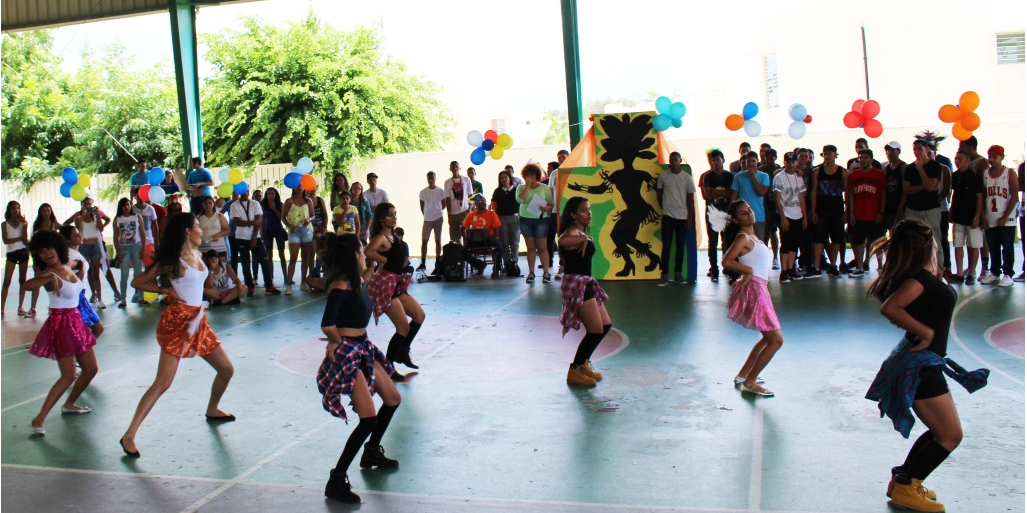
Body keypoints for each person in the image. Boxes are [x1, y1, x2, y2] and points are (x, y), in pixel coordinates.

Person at [864, 219, 987, 513]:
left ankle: (904, 479)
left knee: (938, 430)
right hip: (919, 365)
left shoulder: (923, 276)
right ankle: (907, 488)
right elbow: (890, 308)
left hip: (923, 361)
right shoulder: (917, 280)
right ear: (925, 245)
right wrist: (927, 332)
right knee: (949, 434)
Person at [119, 212, 237, 458]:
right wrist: (165, 291)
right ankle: (129, 434)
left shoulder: (198, 254)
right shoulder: (173, 261)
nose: (201, 231)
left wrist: (212, 292)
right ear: (186, 230)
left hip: (199, 321)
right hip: (178, 322)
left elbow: (197, 287)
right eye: (197, 227)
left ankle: (213, 408)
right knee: (163, 382)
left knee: (226, 369)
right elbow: (138, 282)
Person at [316, 233, 403, 503]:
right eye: (362, 252)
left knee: (392, 399)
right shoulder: (341, 286)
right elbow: (327, 323)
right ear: (354, 256)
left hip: (362, 346)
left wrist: (374, 268)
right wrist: (335, 342)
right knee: (368, 419)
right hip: (348, 353)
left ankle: (372, 451)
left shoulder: (356, 282)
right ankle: (336, 479)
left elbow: (364, 281)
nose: (366, 254)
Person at [23, 230, 99, 435]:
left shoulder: (66, 267)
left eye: (49, 248)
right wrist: (47, 277)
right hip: (61, 323)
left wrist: (80, 268)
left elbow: (79, 265)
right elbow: (29, 285)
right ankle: (38, 419)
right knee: (68, 375)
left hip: (76, 321)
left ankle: (70, 404)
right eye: (41, 251)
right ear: (38, 256)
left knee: (91, 369)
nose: (47, 253)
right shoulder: (48, 274)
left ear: (57, 247)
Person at [720, 200, 783, 397]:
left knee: (767, 337)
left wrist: (749, 271)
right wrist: (747, 270)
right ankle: (750, 381)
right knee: (776, 340)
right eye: (743, 213)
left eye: (749, 210)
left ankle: (744, 375)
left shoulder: (752, 237)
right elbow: (727, 261)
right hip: (755, 290)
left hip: (759, 288)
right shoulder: (743, 238)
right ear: (736, 219)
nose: (749, 214)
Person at [365, 203, 425, 375]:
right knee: (403, 328)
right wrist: (382, 260)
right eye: (390, 215)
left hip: (396, 283)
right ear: (382, 219)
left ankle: (402, 352)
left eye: (395, 214)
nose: (394, 217)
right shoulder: (381, 237)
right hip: (386, 285)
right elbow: (368, 252)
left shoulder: (393, 236)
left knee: (419, 316)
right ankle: (388, 367)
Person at [558, 197, 613, 387]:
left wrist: (584, 237)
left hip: (586, 282)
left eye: (589, 209)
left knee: (605, 325)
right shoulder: (572, 232)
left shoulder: (581, 231)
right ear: (573, 214)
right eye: (583, 210)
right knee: (595, 330)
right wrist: (582, 238)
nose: (588, 213)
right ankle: (574, 371)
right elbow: (562, 240)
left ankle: (583, 364)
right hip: (576, 284)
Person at [980, 145, 1019, 287]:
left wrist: (1005, 216)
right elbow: (983, 196)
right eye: (989, 156)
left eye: (995, 157)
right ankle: (995, 272)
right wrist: (983, 215)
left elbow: (1014, 196)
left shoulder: (1009, 173)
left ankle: (1008, 274)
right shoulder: (985, 174)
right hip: (991, 216)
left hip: (1006, 218)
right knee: (993, 246)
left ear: (1002, 157)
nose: (991, 159)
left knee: (1007, 246)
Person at [231, 186, 281, 296]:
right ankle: (249, 286)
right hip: (241, 237)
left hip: (255, 237)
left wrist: (254, 237)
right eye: (243, 191)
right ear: (239, 192)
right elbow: (238, 222)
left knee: (264, 261)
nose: (245, 193)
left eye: (247, 191)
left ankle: (269, 285)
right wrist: (253, 222)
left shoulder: (255, 204)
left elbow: (259, 221)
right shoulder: (234, 205)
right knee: (245, 263)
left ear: (249, 192)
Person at [656, 151, 696, 285]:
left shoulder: (687, 178)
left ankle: (678, 274)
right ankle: (664, 274)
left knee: (680, 246)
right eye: (671, 160)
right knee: (666, 246)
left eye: (676, 160)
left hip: (683, 217)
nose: (674, 162)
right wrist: (664, 208)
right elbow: (659, 194)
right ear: (669, 161)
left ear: (680, 161)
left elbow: (691, 200)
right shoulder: (663, 176)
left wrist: (689, 218)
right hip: (668, 216)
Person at [58, 224, 104, 338]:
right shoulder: (69, 255)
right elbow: (66, 272)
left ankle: (83, 352)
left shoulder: (76, 253)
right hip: (76, 297)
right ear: (68, 240)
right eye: (76, 235)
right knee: (86, 331)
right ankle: (82, 353)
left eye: (79, 233)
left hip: (81, 296)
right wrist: (80, 274)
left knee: (98, 328)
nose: (79, 236)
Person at [846, 149, 887, 278]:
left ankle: (880, 266)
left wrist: (881, 212)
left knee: (877, 241)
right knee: (859, 241)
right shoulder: (854, 174)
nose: (862, 160)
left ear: (871, 159)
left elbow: (883, 193)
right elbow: (851, 194)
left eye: (865, 157)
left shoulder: (879, 174)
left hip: (874, 214)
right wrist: (851, 213)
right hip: (859, 214)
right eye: (860, 158)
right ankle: (859, 267)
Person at [949, 149, 985, 284]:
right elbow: (954, 195)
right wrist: (952, 212)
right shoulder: (955, 175)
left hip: (971, 218)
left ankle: (970, 273)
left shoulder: (974, 177)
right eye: (956, 159)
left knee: (974, 245)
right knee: (958, 244)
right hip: (958, 216)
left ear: (968, 161)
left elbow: (980, 198)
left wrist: (977, 217)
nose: (957, 161)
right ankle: (959, 273)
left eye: (960, 159)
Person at [810, 145, 847, 277]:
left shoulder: (842, 172)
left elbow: (847, 192)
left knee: (836, 238)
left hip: (837, 209)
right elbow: (813, 191)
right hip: (821, 209)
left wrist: (847, 211)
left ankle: (833, 265)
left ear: (835, 155)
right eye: (824, 154)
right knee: (819, 238)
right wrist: (813, 210)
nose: (827, 156)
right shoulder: (817, 171)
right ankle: (816, 267)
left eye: (829, 154)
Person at [516, 163, 555, 284]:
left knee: (542, 247)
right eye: (527, 175)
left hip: (540, 220)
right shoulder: (520, 187)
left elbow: (550, 203)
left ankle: (546, 273)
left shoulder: (544, 187)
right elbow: (519, 199)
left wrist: (546, 208)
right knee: (530, 248)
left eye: (532, 175)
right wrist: (527, 186)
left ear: (536, 175)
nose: (530, 177)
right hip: (525, 220)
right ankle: (531, 273)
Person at [773, 152, 808, 283]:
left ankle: (790, 269)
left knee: (794, 244)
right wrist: (782, 217)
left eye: (794, 162)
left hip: (797, 214)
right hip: (786, 214)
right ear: (785, 162)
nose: (791, 164)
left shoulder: (799, 177)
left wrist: (804, 216)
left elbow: (801, 198)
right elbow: (777, 198)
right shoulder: (779, 177)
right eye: (789, 162)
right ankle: (783, 271)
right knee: (786, 244)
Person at [701, 150, 734, 282]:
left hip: (726, 212)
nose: (716, 163)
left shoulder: (730, 176)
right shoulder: (707, 177)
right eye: (713, 160)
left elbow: (731, 194)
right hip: (712, 212)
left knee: (727, 241)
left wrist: (715, 191)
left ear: (723, 160)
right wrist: (722, 192)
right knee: (712, 242)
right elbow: (707, 195)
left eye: (718, 160)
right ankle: (714, 269)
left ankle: (728, 267)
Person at [75, 196, 114, 309]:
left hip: (95, 245)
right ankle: (81, 299)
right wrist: (83, 214)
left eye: (89, 204)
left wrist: (97, 215)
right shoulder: (79, 218)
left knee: (96, 273)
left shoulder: (96, 216)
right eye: (85, 204)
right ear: (82, 206)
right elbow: (78, 228)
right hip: (84, 246)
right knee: (82, 272)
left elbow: (101, 229)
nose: (88, 206)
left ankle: (100, 299)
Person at [28, 203, 62, 317]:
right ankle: (32, 307)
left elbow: (64, 231)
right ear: (40, 213)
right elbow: (32, 242)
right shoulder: (36, 225)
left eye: (48, 211)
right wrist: (34, 257)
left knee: (52, 281)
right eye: (44, 211)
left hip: (51, 258)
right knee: (38, 279)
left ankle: (53, 304)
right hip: (39, 257)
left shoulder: (53, 224)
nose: (46, 213)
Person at [461, 194, 505, 277]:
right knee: (462, 251)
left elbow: (497, 230)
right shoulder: (471, 215)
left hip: (488, 240)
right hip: (474, 241)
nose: (484, 203)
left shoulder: (492, 214)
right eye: (481, 201)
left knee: (499, 245)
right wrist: (465, 239)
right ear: (476, 204)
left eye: (484, 201)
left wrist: (491, 238)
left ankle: (496, 268)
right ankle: (479, 265)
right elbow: (462, 227)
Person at [730, 151, 770, 241]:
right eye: (748, 161)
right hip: (742, 217)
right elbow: (734, 196)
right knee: (743, 243)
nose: (751, 164)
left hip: (758, 216)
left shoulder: (764, 176)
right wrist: (730, 213)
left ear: (757, 161)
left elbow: (761, 192)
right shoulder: (738, 177)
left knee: (759, 244)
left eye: (753, 161)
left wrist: (752, 176)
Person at [113, 198, 146, 307]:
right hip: (124, 248)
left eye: (128, 205)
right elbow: (115, 236)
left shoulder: (137, 217)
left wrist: (143, 249)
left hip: (136, 247)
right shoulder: (117, 219)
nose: (126, 207)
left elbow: (142, 234)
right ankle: (123, 299)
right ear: (120, 207)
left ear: (130, 206)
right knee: (124, 274)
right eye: (124, 205)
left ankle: (141, 297)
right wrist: (118, 252)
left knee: (138, 273)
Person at [283, 187, 315, 294]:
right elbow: (283, 218)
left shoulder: (308, 200)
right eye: (297, 186)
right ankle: (288, 285)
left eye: (301, 186)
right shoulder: (289, 201)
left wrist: (309, 220)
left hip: (307, 230)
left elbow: (313, 215)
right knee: (293, 258)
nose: (299, 188)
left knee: (305, 257)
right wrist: (289, 226)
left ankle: (303, 282)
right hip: (294, 231)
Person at [2, 201, 30, 319]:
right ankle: (2, 308)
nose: (16, 210)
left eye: (18, 208)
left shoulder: (23, 223)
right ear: (9, 210)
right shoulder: (4, 224)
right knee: (7, 281)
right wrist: (18, 238)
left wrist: (24, 225)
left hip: (23, 251)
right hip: (11, 253)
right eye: (13, 208)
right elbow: (6, 240)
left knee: (22, 280)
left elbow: (24, 239)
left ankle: (20, 306)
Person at [491, 169, 521, 276]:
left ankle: (514, 263)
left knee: (514, 242)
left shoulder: (517, 189)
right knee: (505, 243)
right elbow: (493, 205)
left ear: (510, 178)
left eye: (505, 177)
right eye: (501, 178)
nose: (503, 179)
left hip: (514, 218)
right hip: (502, 219)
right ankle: (507, 264)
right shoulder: (497, 191)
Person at [417, 171, 445, 272]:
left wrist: (437, 211)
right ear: (427, 179)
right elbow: (421, 205)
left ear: (435, 178)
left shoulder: (441, 191)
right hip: (427, 219)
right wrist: (426, 214)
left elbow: (444, 204)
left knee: (438, 240)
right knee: (424, 240)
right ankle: (423, 263)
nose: (431, 180)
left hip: (438, 217)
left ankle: (437, 262)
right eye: (429, 178)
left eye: (432, 178)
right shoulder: (423, 192)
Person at [261, 187, 289, 283]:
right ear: (266, 195)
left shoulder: (280, 204)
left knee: (282, 254)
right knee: (269, 255)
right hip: (267, 231)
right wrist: (262, 233)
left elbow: (282, 218)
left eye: (272, 193)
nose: (270, 195)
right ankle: (270, 278)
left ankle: (286, 277)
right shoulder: (263, 205)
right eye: (268, 194)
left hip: (278, 230)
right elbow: (262, 220)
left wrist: (274, 208)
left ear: (275, 195)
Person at [443, 161, 473, 245]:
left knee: (466, 235)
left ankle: (467, 255)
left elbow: (471, 195)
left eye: (456, 166)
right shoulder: (447, 182)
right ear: (450, 169)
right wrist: (449, 214)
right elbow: (447, 198)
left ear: (460, 168)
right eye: (453, 167)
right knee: (455, 238)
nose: (455, 168)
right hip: (453, 213)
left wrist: (469, 210)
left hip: (465, 211)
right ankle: (458, 256)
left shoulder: (466, 179)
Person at [198, 196, 230, 263]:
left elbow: (227, 229)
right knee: (206, 270)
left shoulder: (220, 216)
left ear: (213, 204)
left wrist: (219, 234)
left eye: (210, 203)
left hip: (219, 247)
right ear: (202, 205)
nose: (208, 205)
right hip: (204, 247)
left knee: (221, 268)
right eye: (205, 203)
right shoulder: (198, 218)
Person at [133, 190, 159, 267]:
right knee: (137, 267)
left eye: (142, 196)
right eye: (138, 196)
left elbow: (155, 225)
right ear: (135, 196)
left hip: (149, 241)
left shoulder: (150, 209)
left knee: (150, 266)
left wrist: (156, 241)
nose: (140, 198)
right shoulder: (132, 209)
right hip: (136, 242)